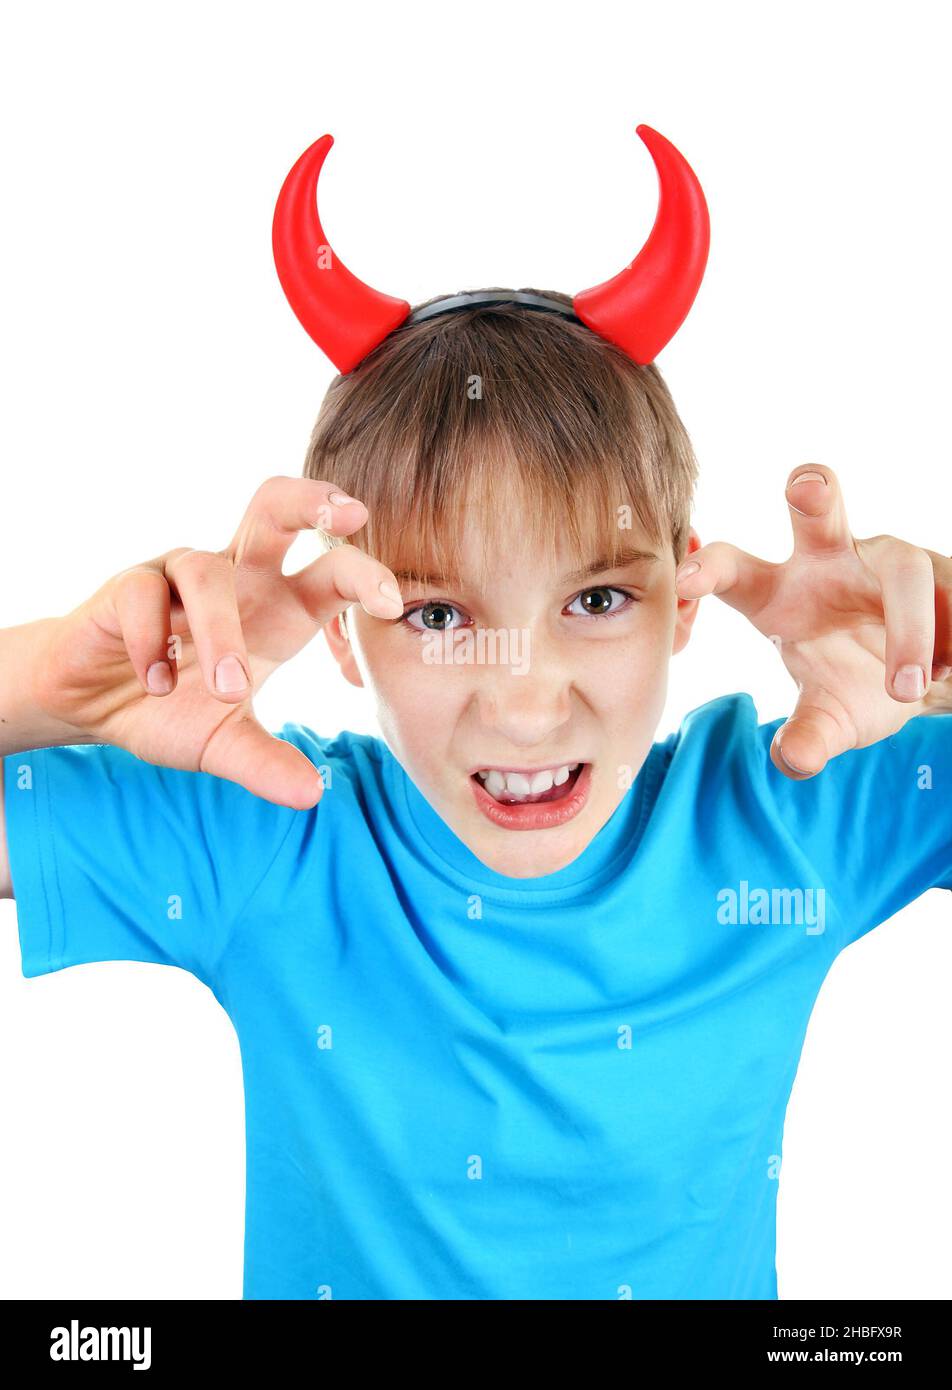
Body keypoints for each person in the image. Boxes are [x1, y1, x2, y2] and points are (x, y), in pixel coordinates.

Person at [1, 126, 950, 1300]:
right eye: (439, 614)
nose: (523, 700)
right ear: (343, 626)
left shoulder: (793, 814)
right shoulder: (271, 830)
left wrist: (942, 658)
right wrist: (44, 679)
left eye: (597, 597)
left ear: (685, 597)